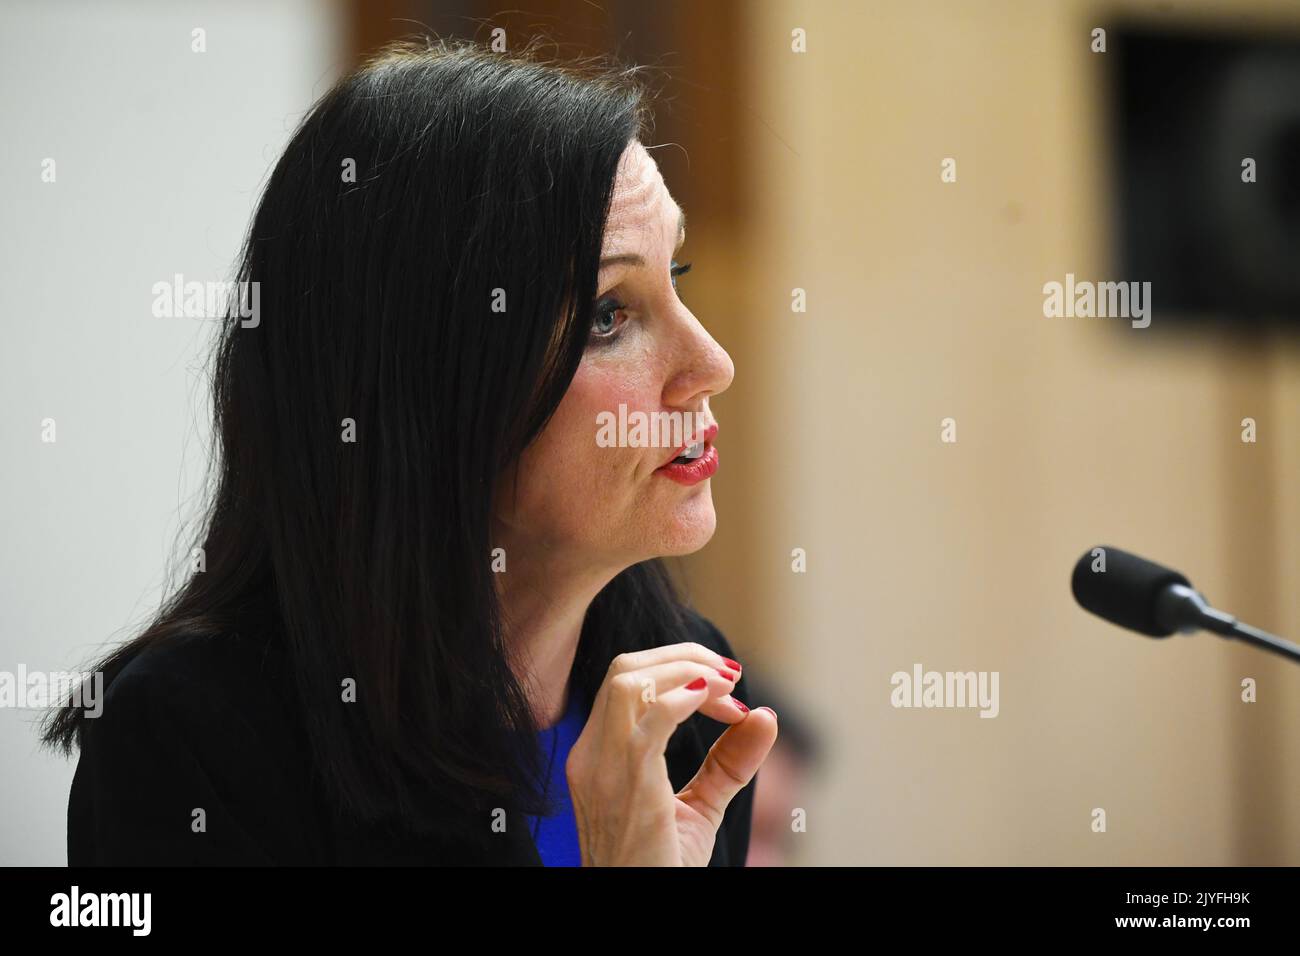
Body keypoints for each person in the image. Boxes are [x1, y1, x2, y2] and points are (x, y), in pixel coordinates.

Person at [40, 37, 778, 866]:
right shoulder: (191, 739)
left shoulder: (688, 705)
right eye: (609, 313)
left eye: (675, 272)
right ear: (428, 384)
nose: (713, 365)